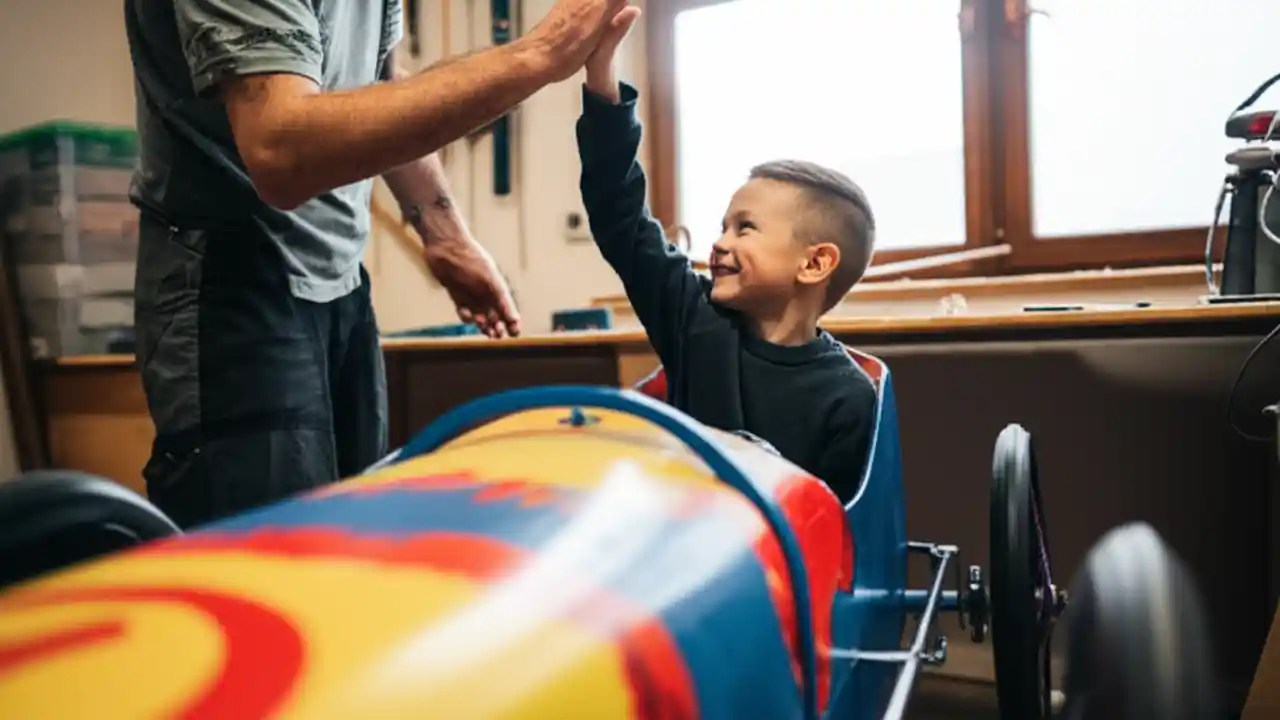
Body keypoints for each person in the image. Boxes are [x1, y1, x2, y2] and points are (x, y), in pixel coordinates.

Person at [123, 0, 635, 528]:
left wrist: (446, 233)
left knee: (356, 537)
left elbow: (379, 78)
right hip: (229, 278)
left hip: (340, 278)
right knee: (269, 561)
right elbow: (280, 146)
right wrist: (538, 55)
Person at [575, 7, 878, 501]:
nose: (720, 243)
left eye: (745, 229)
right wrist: (601, 75)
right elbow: (620, 217)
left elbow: (839, 534)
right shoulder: (694, 316)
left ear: (815, 263)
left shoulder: (849, 398)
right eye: (723, 227)